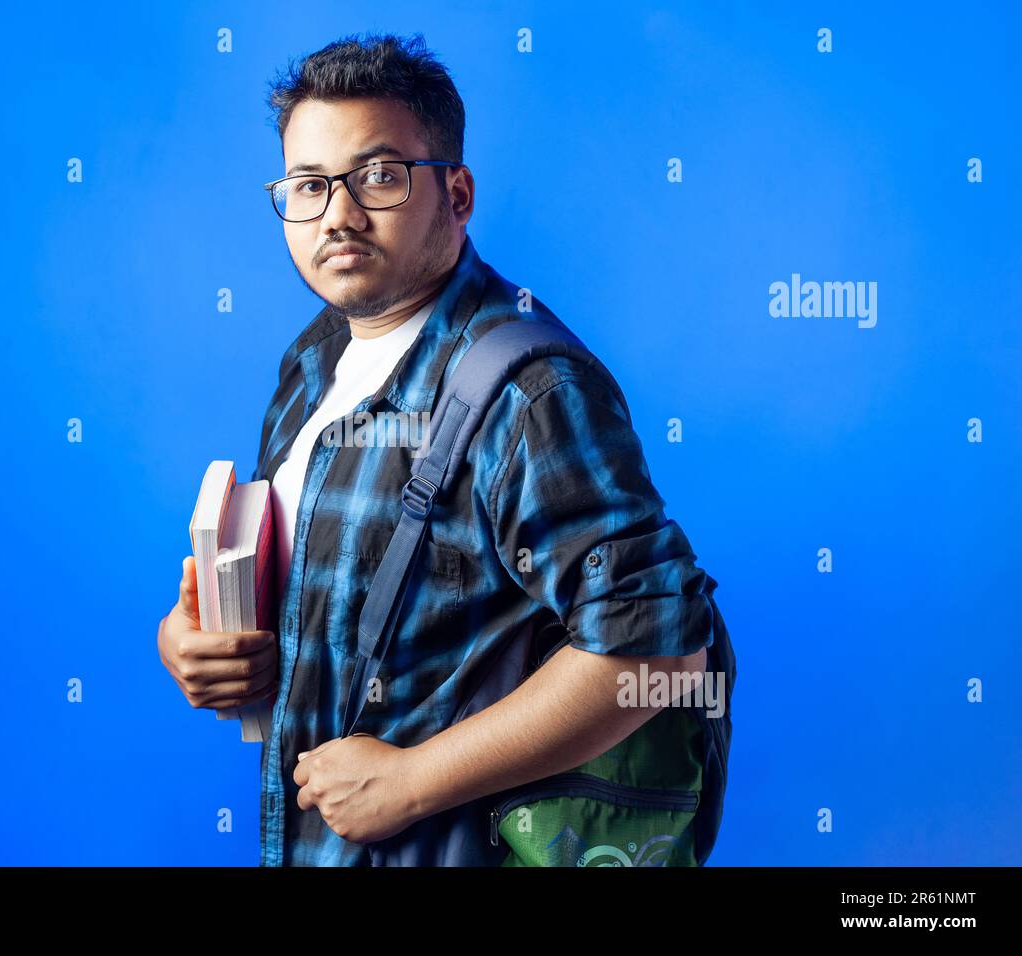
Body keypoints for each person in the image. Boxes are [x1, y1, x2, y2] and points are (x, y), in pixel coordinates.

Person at [157, 32, 726, 867]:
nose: (338, 215)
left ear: (456, 194)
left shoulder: (529, 392)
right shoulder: (315, 361)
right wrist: (196, 641)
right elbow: (357, 614)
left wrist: (416, 780)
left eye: (379, 177)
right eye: (309, 187)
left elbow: (662, 651)